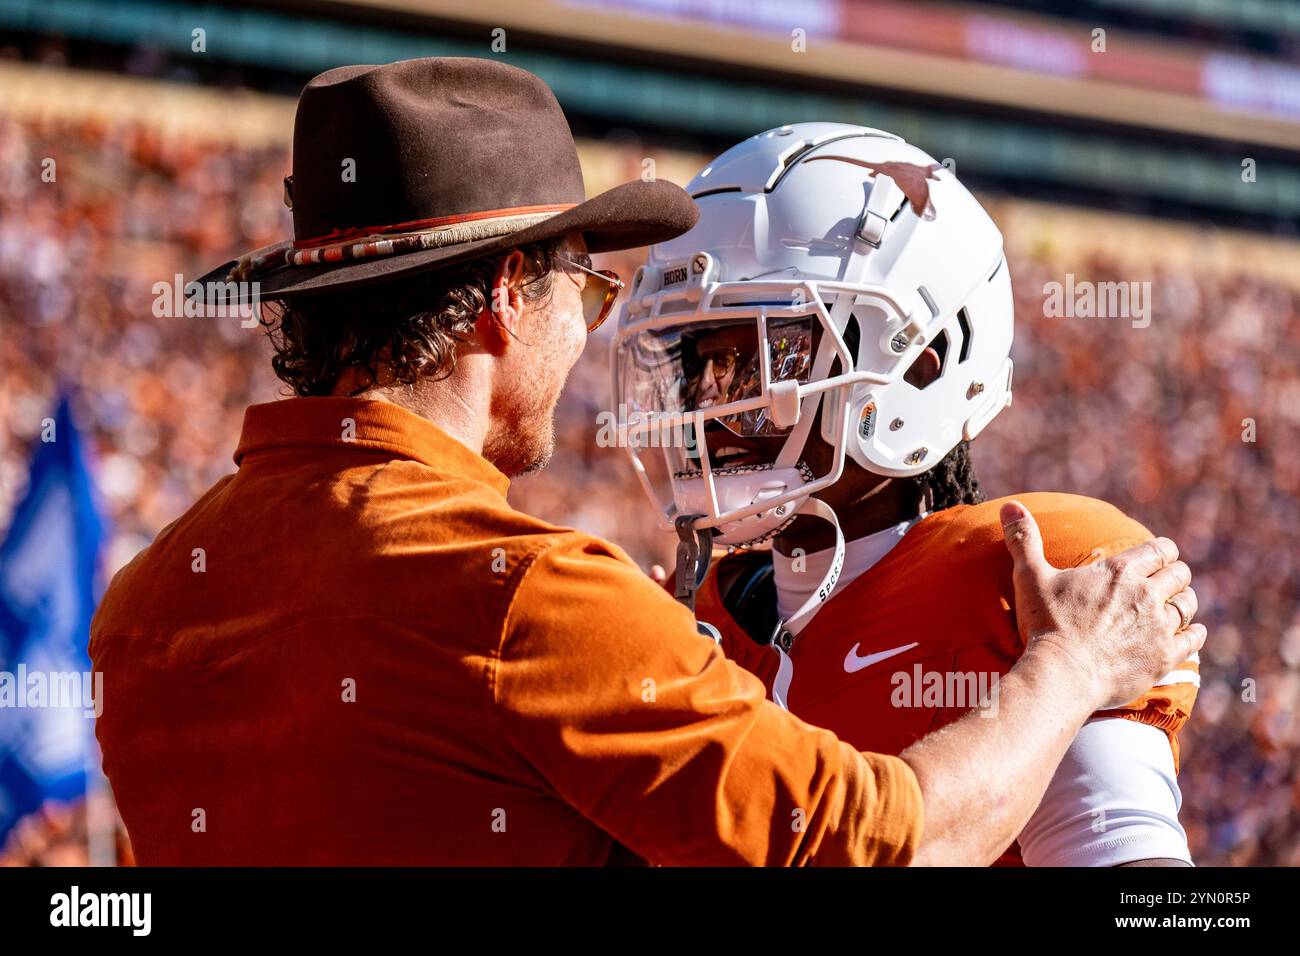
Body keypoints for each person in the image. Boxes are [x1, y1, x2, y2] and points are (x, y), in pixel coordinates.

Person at [90, 61, 1203, 866]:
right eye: (584, 291)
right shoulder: (529, 595)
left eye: (748, 356)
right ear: (506, 297)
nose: (710, 400)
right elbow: (872, 845)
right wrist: (1068, 669)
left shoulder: (145, 600)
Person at [612, 122, 1201, 865]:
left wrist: (1067, 665)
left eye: (765, 354)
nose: (714, 407)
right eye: (701, 365)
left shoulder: (1031, 586)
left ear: (919, 369)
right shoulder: (699, 622)